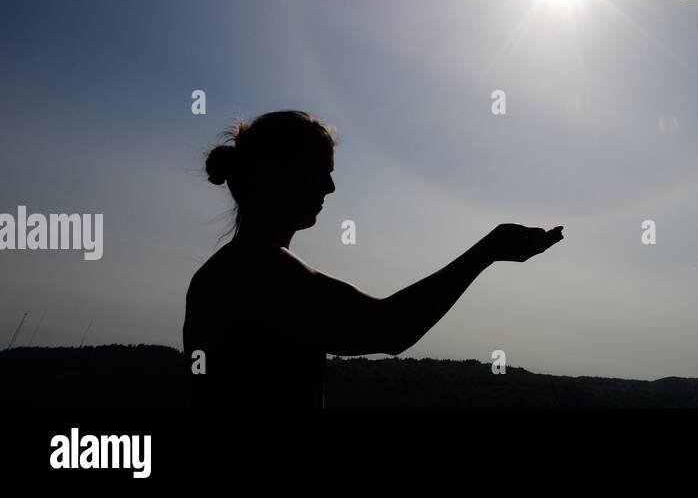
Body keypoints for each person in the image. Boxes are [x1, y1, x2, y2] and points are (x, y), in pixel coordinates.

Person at [183, 110, 563, 407]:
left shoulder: (226, 272)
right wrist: (487, 251)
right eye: (321, 172)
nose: (331, 187)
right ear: (280, 173)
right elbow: (388, 328)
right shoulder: (261, 273)